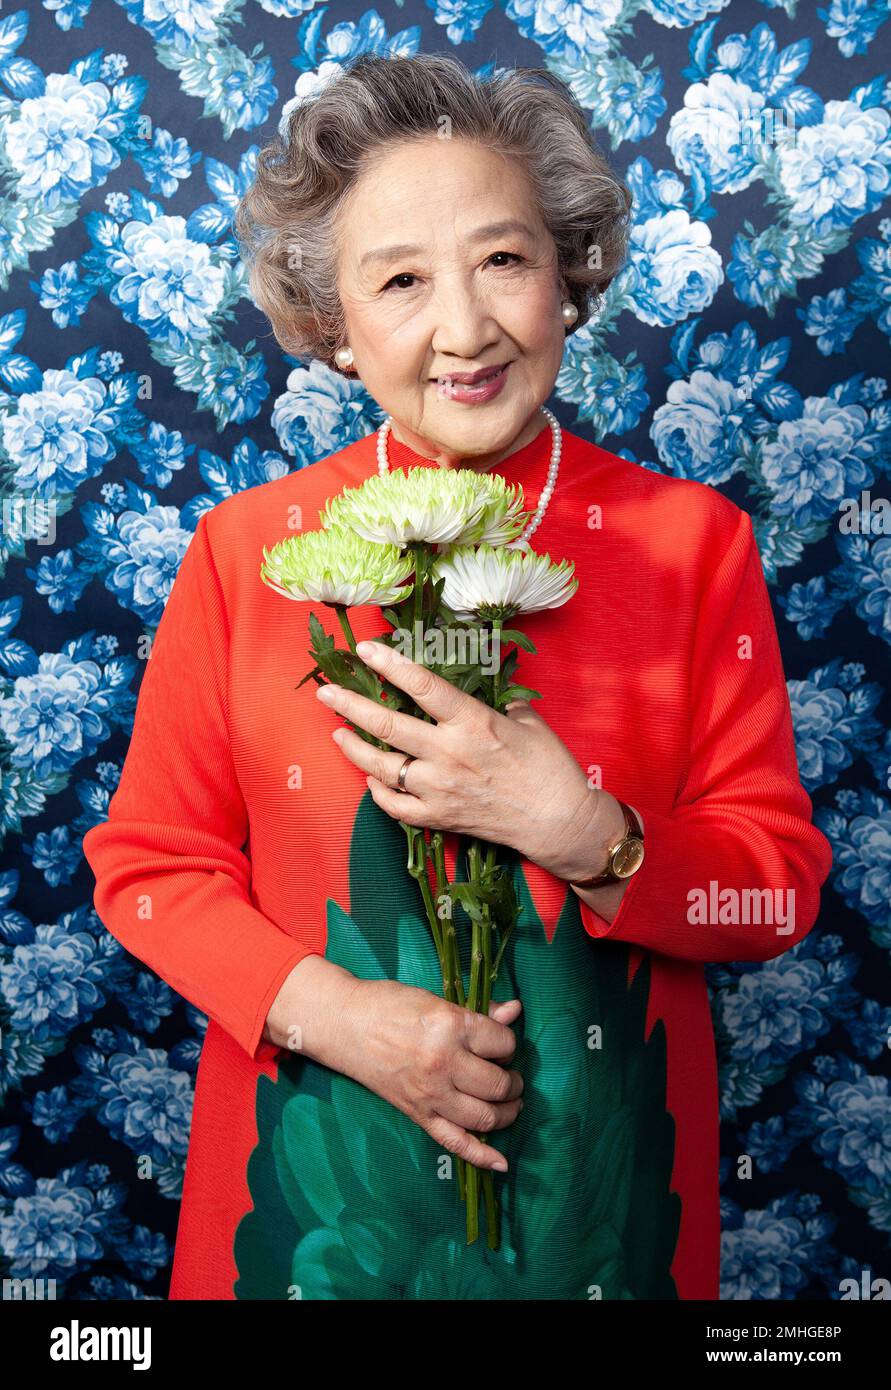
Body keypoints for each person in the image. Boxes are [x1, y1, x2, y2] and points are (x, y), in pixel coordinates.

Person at [83, 51, 832, 1301]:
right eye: (401, 281)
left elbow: (776, 901)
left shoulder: (695, 545)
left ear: (571, 276)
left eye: (505, 260)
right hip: (314, 1228)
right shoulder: (247, 553)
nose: (466, 329)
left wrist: (588, 834)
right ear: (332, 325)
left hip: (600, 1233)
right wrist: (339, 1016)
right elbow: (151, 871)